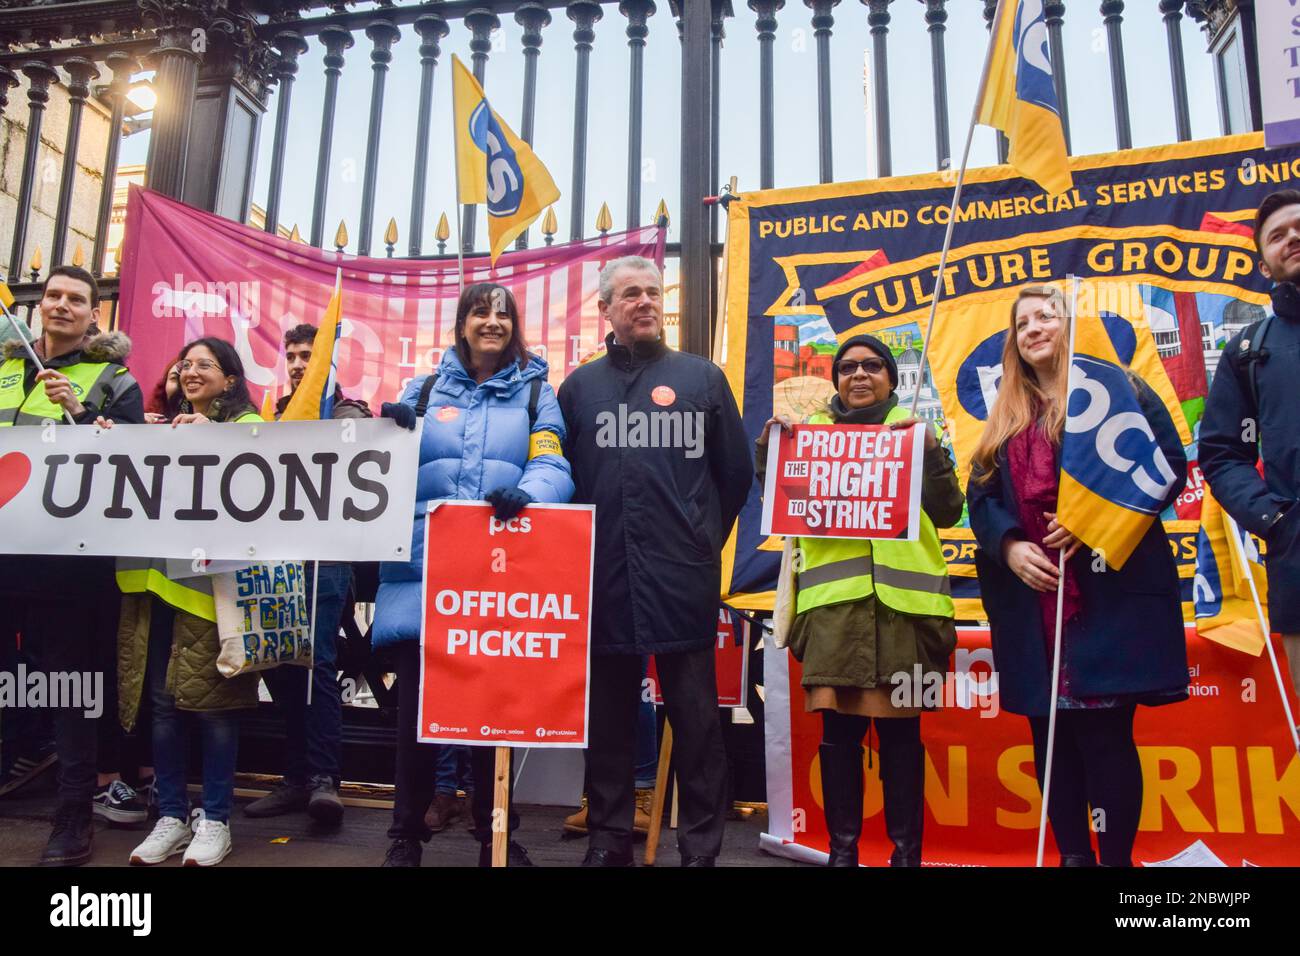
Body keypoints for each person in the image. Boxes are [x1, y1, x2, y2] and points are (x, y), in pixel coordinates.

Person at [967, 284, 1188, 867]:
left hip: (1107, 596)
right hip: (1033, 603)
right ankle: (1073, 858)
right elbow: (981, 498)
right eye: (1022, 324)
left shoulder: (1124, 393)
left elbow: (1167, 465)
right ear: (1014, 344)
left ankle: (1114, 862)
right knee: (1050, 741)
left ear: (1071, 327)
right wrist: (1010, 545)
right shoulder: (1005, 416)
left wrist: (1098, 520)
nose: (1034, 328)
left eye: (1046, 317)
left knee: (1107, 737)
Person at [557, 255, 753, 867]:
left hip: (681, 580)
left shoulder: (701, 378)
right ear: (606, 310)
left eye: (652, 292)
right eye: (631, 294)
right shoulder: (578, 389)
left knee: (697, 725)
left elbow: (736, 476)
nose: (645, 302)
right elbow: (560, 477)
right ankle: (609, 841)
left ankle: (700, 849)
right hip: (603, 577)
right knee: (609, 721)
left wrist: (698, 543)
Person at [372, 282, 573, 868]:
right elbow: (381, 469)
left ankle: (496, 837)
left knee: (494, 714)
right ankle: (404, 837)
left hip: (498, 575)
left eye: (503, 314)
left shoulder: (538, 391)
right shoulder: (425, 389)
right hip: (424, 570)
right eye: (481, 312)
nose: (492, 322)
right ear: (462, 323)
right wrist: (391, 432)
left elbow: (552, 459)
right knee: (414, 717)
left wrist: (531, 495)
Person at [755, 334, 963, 866]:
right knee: (839, 737)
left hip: (908, 615)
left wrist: (932, 453)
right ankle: (842, 854)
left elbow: (947, 512)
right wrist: (770, 449)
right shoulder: (809, 438)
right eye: (847, 367)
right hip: (835, 616)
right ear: (837, 380)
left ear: (892, 378)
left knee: (902, 740)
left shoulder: (918, 434)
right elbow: (778, 498)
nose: (860, 375)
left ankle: (905, 856)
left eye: (873, 366)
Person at [0, 264, 144, 865]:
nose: (61, 305)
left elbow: (135, 469)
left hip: (66, 568)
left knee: (70, 689)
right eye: (53, 295)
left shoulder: (114, 380)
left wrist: (82, 416)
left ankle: (72, 816)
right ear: (37, 306)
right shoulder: (6, 369)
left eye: (75, 299)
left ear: (93, 315)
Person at [117, 337, 264, 867]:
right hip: (158, 588)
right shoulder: (165, 427)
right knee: (162, 708)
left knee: (216, 713)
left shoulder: (251, 424)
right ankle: (172, 816)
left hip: (215, 598)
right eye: (186, 364)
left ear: (230, 378)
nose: (192, 371)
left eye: (206, 364)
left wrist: (219, 438)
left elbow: (266, 471)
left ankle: (217, 820)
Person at [243, 323, 372, 827]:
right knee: (281, 662)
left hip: (327, 558)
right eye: (292, 356)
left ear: (329, 362)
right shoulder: (274, 415)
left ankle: (324, 779)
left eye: (308, 355)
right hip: (278, 555)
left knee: (317, 661)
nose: (298, 364)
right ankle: (296, 778)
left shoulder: (348, 413)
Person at [1200, 189, 1300, 698]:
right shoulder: (1248, 352)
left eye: (1298, 226)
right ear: (1264, 264)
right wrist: (1276, 522)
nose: (1292, 238)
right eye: (1277, 236)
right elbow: (1220, 454)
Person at [143, 359, 182, 423]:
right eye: (175, 378)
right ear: (164, 385)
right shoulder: (148, 421)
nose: (182, 385)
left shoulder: (202, 421)